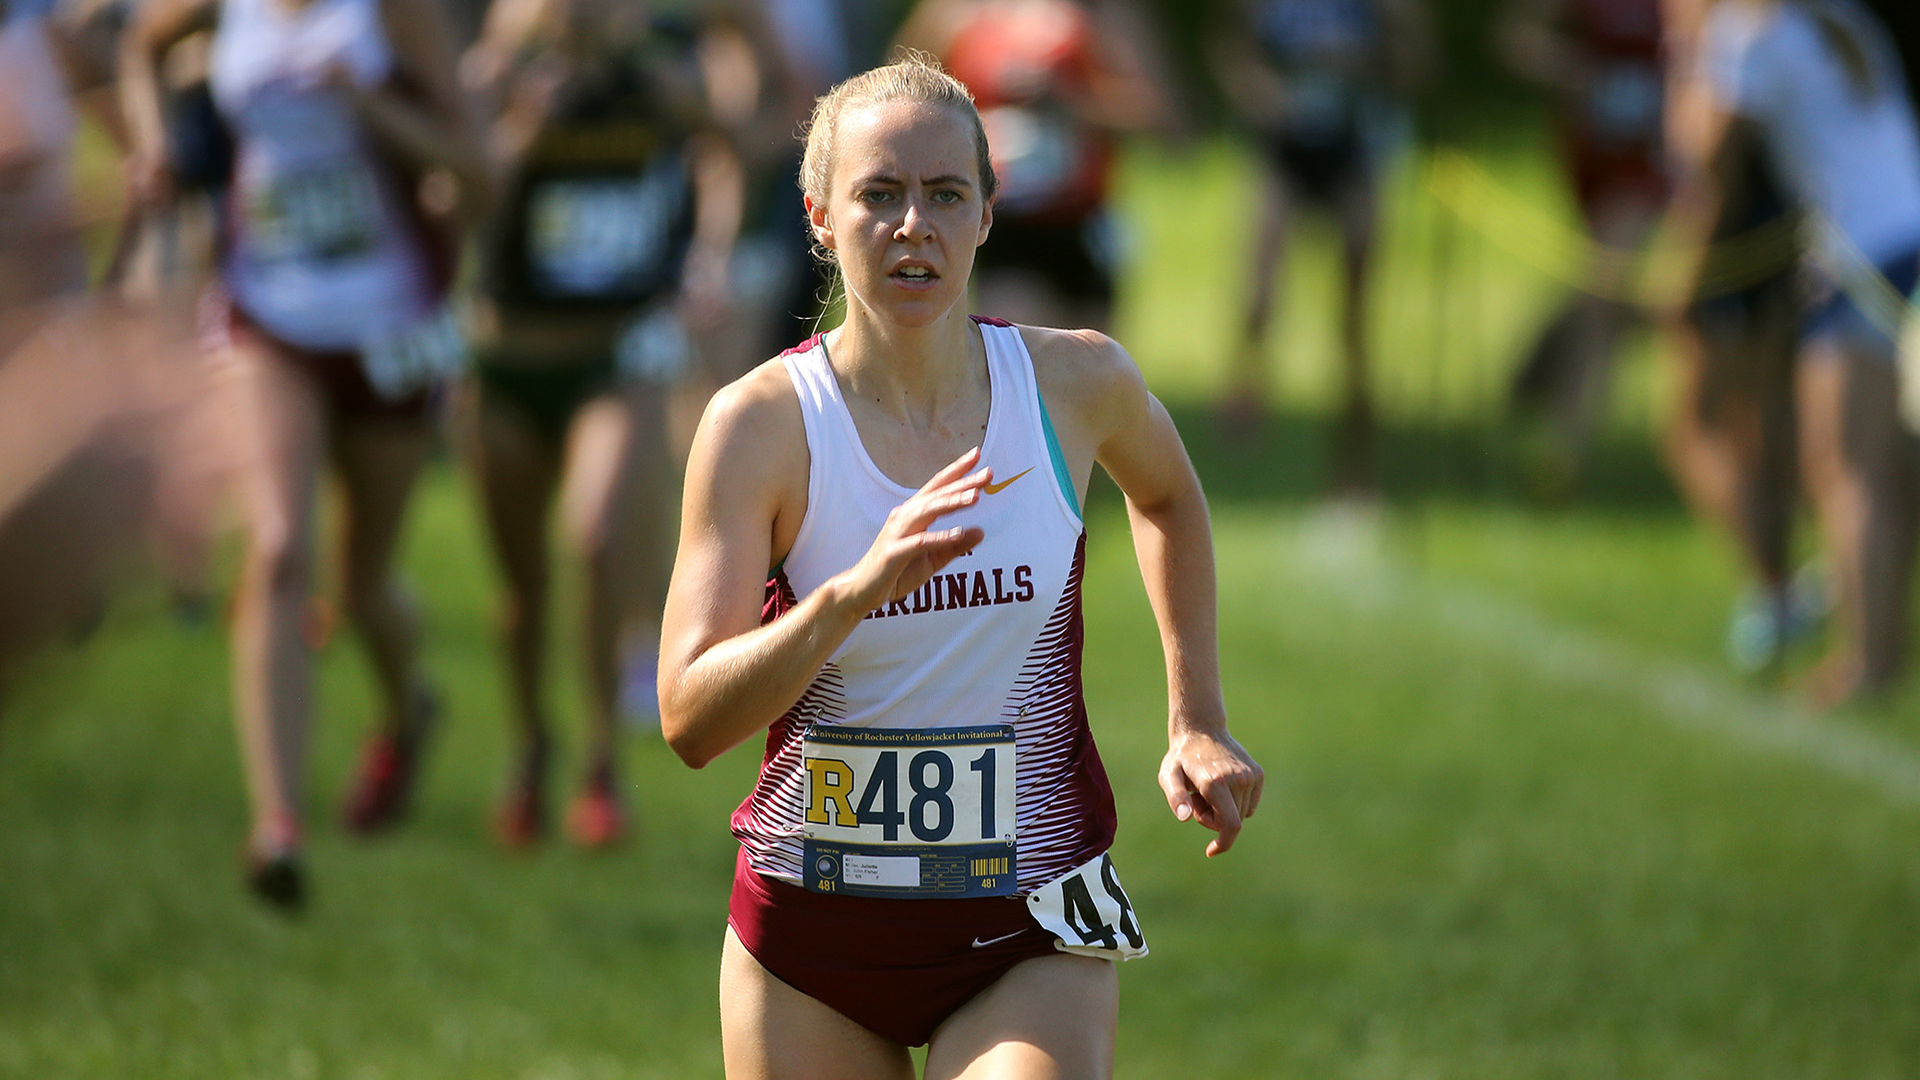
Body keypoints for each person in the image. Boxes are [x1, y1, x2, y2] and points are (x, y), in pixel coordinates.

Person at [657, 58, 1263, 1076]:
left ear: (988, 213)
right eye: (878, 195)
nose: (912, 226)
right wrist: (845, 599)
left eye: (945, 195)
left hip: (1030, 923)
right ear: (818, 215)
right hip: (809, 940)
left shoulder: (1076, 384)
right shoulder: (759, 426)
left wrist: (1195, 717)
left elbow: (1166, 497)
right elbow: (688, 718)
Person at [121, 0, 488, 907]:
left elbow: (478, 171)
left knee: (366, 583)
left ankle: (408, 713)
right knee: (280, 543)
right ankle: (278, 825)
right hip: (265, 311)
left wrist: (370, 107)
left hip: (391, 321)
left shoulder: (396, 16)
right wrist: (153, 141)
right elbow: (139, 45)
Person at [460, 0, 741, 848]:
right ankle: (529, 748)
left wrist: (708, 252)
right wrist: (515, 122)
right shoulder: (501, 82)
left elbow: (731, 145)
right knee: (520, 591)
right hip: (509, 359)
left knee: (593, 535)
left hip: (614, 354)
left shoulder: (651, 84)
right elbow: (456, 197)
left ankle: (598, 762)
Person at [1674, 0, 1920, 704]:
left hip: (1862, 262)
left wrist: (1688, 283)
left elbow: (1710, 164)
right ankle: (1884, 649)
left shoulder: (1749, 36)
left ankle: (1868, 666)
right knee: (1894, 469)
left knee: (1847, 470)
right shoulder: (1846, 20)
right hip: (1908, 245)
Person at [1212, 0, 1430, 493]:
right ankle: (1245, 392)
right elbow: (1231, 46)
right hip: (1283, 148)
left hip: (1354, 150)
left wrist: (1376, 49)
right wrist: (1259, 90)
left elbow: (1416, 64)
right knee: (1259, 293)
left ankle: (1354, 460)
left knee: (1355, 319)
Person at [1659, 0, 1812, 674]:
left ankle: (1776, 592)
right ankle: (1786, 588)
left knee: (1702, 426)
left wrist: (1687, 274)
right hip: (1773, 229)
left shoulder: (1727, 26)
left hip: (1739, 239)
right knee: (1764, 421)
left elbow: (1713, 159)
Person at [897, 0, 1179, 334]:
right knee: (1016, 359)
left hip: (1080, 221)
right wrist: (973, 122)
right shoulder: (954, 11)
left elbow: (1157, 117)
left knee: (1082, 375)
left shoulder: (1098, 11)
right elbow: (903, 104)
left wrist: (1070, 101)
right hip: (1001, 221)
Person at [1497, 0, 1669, 493]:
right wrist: (1573, 70)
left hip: (1654, 165)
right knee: (1601, 293)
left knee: (1602, 294)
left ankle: (1563, 450)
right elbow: (1515, 37)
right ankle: (1545, 356)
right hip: (1591, 158)